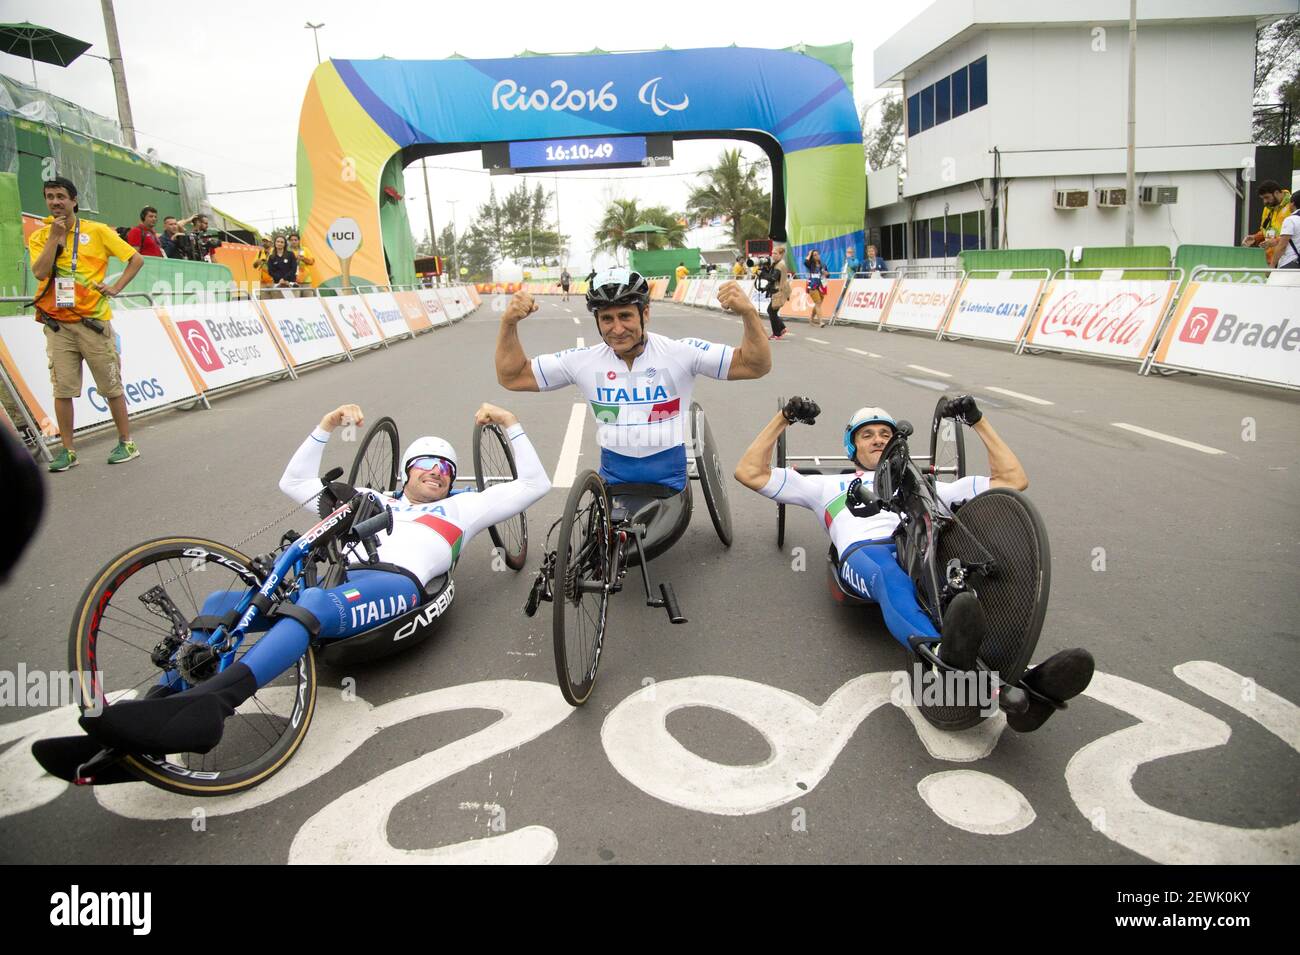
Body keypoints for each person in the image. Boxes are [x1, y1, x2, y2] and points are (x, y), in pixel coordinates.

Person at [76, 401, 551, 755]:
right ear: (407, 471)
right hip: (342, 577)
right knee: (224, 597)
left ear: (454, 478)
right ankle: (163, 700)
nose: (436, 473)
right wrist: (326, 427)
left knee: (317, 607)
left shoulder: (465, 506)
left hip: (398, 586)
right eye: (425, 464)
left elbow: (535, 484)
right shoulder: (367, 496)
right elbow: (295, 482)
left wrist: (510, 424)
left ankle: (214, 705)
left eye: (445, 468)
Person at [734, 394, 1093, 732]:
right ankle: (942, 654)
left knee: (975, 583)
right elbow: (750, 472)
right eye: (867, 435)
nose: (877, 439)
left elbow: (1013, 481)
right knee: (890, 576)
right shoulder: (828, 486)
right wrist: (784, 418)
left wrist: (977, 421)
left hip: (926, 546)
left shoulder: (931, 486)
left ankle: (1026, 683)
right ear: (852, 446)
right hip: (867, 554)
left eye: (885, 434)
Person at [494, 268, 771, 492]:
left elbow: (754, 365)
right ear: (597, 321)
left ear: (645, 313)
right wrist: (508, 323)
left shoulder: (681, 352)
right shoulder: (583, 360)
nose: (617, 329)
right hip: (614, 481)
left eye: (625, 316)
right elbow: (513, 376)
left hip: (668, 483)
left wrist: (748, 313)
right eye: (607, 319)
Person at [27, 176, 145, 472]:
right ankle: (68, 451)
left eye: (61, 196)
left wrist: (116, 287)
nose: (55, 202)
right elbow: (41, 273)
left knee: (111, 385)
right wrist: (55, 236)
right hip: (57, 325)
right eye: (50, 196)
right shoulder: (40, 236)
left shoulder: (97, 231)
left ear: (74, 200)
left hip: (93, 322)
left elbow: (135, 259)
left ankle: (126, 441)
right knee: (62, 390)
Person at [1244, 180, 1292, 266]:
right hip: (1271, 259)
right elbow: (1264, 231)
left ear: (1277, 193)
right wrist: (1255, 237)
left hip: (1288, 259)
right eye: (1263, 199)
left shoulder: (1292, 206)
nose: (1265, 202)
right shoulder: (1268, 208)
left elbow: (1294, 234)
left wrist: (1276, 241)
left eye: (1267, 197)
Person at [761, 242, 793, 340]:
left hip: (780, 291)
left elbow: (773, 278)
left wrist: (763, 274)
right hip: (778, 290)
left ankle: (778, 333)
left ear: (781, 255)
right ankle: (781, 329)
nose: (773, 255)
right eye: (772, 253)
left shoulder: (780, 265)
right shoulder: (776, 263)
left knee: (771, 311)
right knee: (772, 311)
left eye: (775, 253)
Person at [1267, 193, 1299, 269]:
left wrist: (1272, 266)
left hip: (1291, 263)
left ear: (1292, 203)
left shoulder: (1291, 220)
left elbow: (1282, 246)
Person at [804, 249, 830, 328]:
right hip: (813, 286)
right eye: (814, 255)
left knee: (818, 303)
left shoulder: (823, 264)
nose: (817, 256)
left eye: (817, 254)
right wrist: (809, 253)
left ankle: (811, 317)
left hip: (821, 286)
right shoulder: (810, 264)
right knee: (818, 303)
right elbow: (805, 262)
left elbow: (828, 274)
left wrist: (826, 273)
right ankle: (821, 321)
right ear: (812, 257)